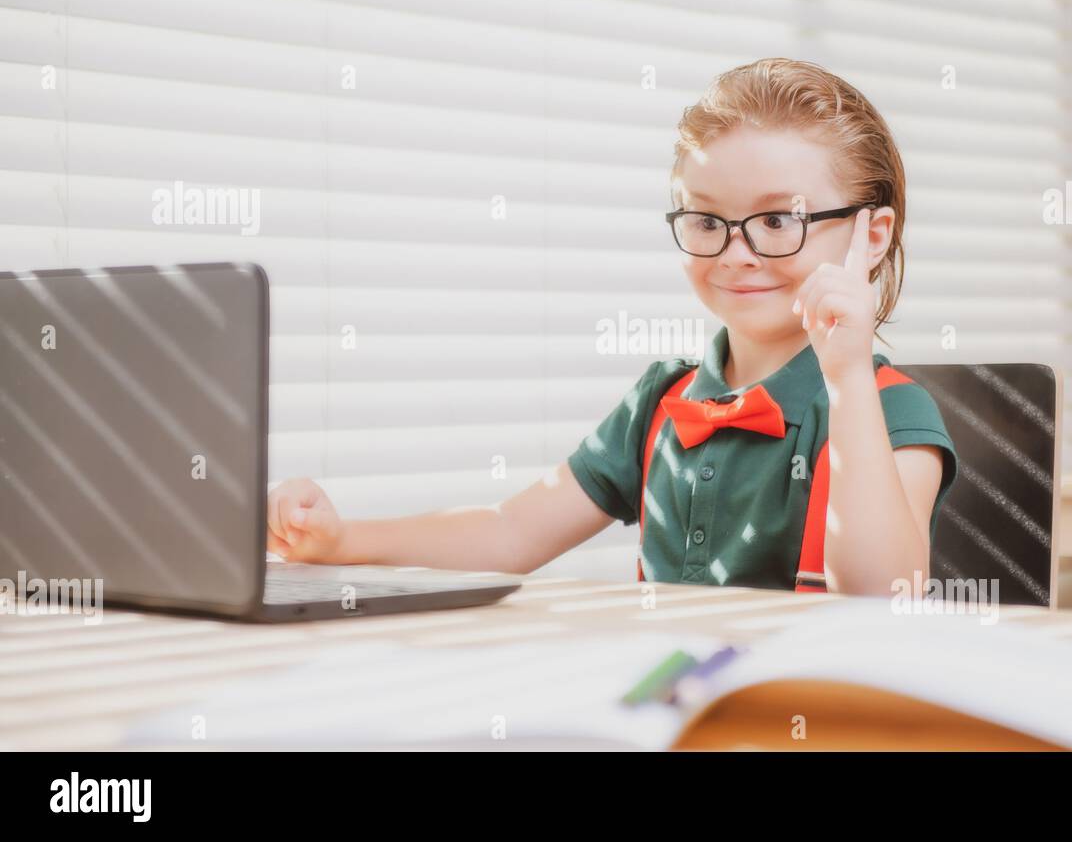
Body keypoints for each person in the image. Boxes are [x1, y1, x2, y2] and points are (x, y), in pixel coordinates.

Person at [267, 57, 959, 595]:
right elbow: (510, 533)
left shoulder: (893, 408)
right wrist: (340, 539)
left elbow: (877, 595)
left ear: (871, 237)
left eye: (779, 220)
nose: (736, 252)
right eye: (708, 220)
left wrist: (845, 378)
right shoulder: (662, 400)